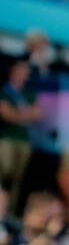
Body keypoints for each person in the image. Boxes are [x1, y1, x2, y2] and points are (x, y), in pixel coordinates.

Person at [0, 59, 41, 212]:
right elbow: (6, 114)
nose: (23, 75)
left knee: (17, 179)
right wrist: (25, 115)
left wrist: (17, 115)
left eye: (25, 73)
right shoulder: (4, 91)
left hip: (24, 140)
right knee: (5, 171)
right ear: (12, 72)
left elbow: (38, 113)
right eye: (20, 71)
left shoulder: (29, 93)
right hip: (6, 138)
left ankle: (9, 211)